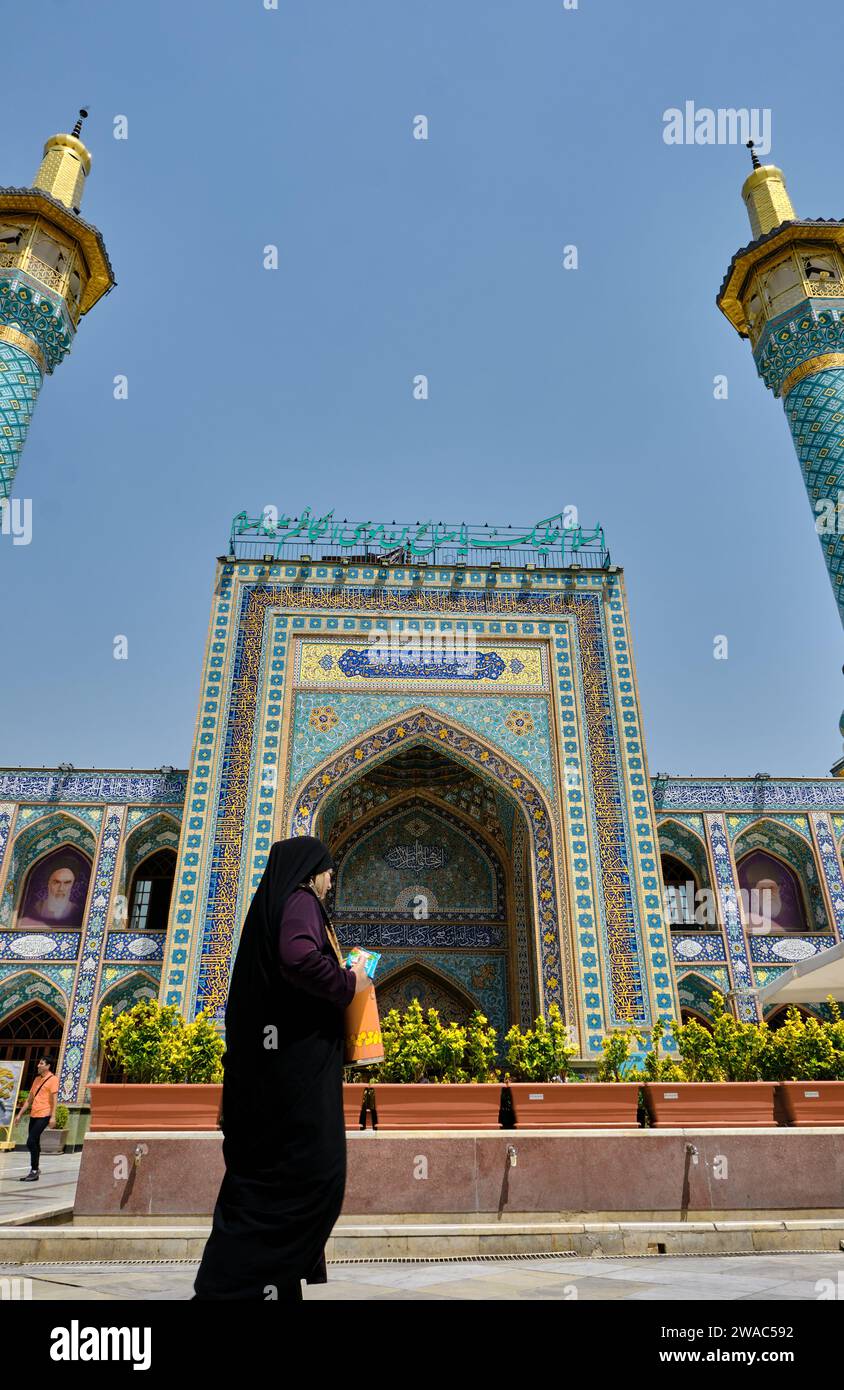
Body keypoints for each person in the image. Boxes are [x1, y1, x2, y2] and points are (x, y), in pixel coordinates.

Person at [193, 835, 371, 1300]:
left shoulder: (272, 908)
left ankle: (255, 1288)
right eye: (329, 871)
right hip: (293, 1080)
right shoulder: (301, 900)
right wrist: (348, 982)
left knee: (264, 1184)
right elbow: (298, 958)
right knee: (314, 1175)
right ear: (312, 871)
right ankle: (245, 1286)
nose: (332, 881)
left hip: (268, 1080)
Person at [15, 1056, 58, 1181]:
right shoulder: (36, 1080)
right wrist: (19, 1114)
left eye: (41, 1063)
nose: (38, 1065)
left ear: (48, 1066)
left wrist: (53, 1116)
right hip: (34, 1114)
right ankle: (35, 1170)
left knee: (30, 1141)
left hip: (45, 1114)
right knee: (35, 1143)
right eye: (39, 1063)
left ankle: (34, 1170)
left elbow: (55, 1100)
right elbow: (29, 1100)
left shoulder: (53, 1079)